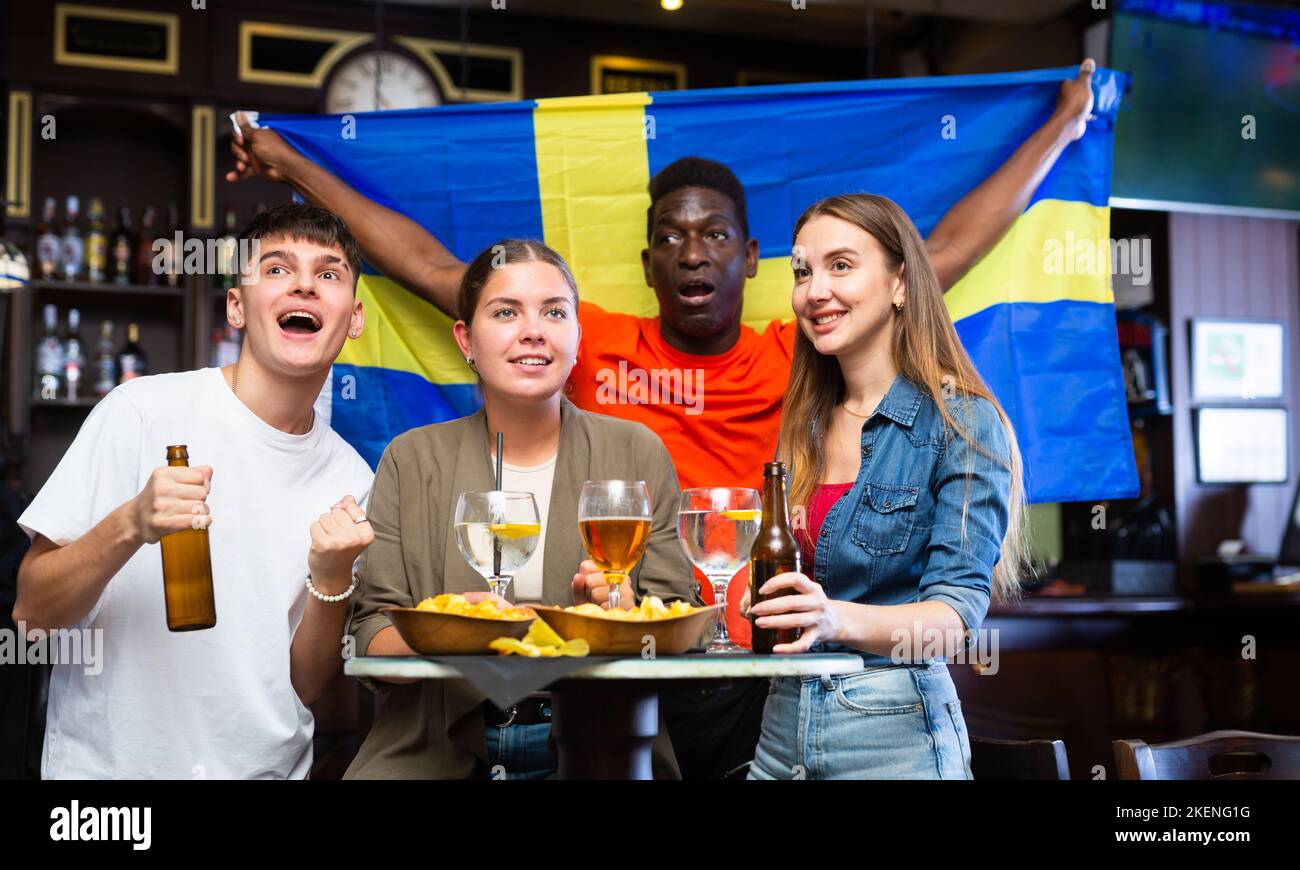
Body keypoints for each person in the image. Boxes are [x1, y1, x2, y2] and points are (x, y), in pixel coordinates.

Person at [227, 60, 1094, 777]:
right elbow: (432, 264)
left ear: (753, 260)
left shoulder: (797, 357)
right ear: (646, 263)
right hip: (638, 672)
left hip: (765, 673)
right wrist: (291, 161)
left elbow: (930, 258)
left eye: (716, 235)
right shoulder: (585, 340)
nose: (693, 251)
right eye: (673, 237)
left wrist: (1060, 126)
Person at [13, 204, 375, 778]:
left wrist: (331, 581)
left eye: (327, 274)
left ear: (353, 318)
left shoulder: (355, 481)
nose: (305, 283)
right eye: (277, 269)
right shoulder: (139, 411)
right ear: (236, 305)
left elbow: (303, 686)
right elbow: (32, 617)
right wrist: (131, 524)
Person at [343, 239, 696, 780]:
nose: (533, 330)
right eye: (506, 312)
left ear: (577, 337)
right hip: (435, 745)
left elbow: (684, 634)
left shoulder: (635, 451)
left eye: (554, 312)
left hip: (600, 740)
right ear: (466, 339)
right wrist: (450, 630)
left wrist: (621, 613)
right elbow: (370, 638)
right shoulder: (411, 460)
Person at [740, 192, 1024, 779]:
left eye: (840, 265)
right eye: (803, 271)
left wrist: (832, 619)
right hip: (780, 731)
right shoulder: (803, 427)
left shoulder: (963, 423)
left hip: (893, 739)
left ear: (900, 283)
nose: (815, 290)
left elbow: (952, 623)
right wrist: (760, 604)